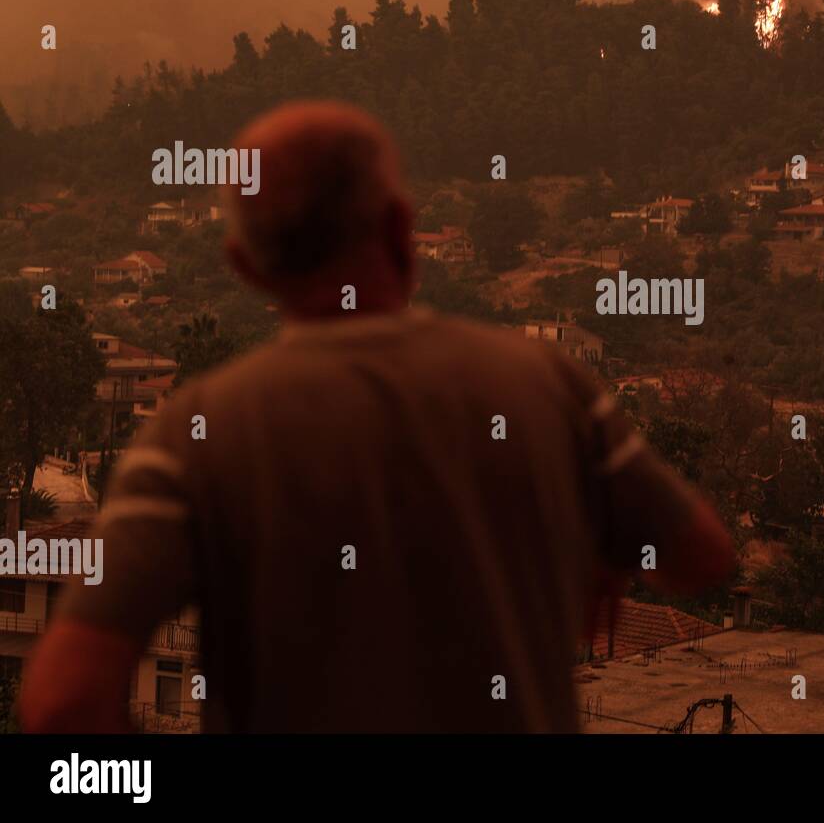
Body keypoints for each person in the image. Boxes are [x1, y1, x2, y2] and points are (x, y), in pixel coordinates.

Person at [19, 101, 734, 733]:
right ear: (401, 229)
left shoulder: (195, 433)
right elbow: (702, 556)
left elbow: (60, 701)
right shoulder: (548, 383)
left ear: (245, 265)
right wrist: (607, 545)